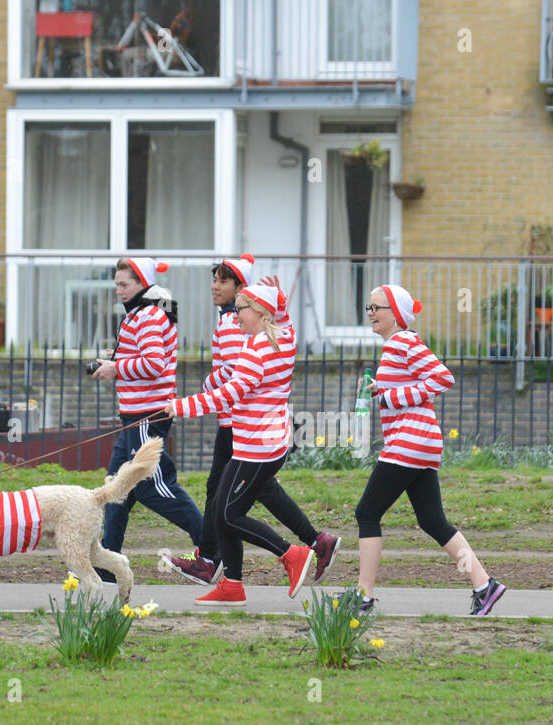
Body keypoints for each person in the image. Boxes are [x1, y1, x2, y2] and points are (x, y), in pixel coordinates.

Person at [167, 254, 340, 587]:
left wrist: (183, 405)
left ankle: (290, 554)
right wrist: (282, 305)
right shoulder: (280, 338)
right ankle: (239, 574)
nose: (235, 314)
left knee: (227, 510)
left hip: (250, 437)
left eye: (240, 306)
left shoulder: (252, 345)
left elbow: (231, 386)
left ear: (255, 308)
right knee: (232, 503)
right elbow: (284, 328)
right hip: (262, 438)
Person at [355, 284, 506, 616]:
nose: (370, 314)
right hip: (421, 444)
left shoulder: (404, 341)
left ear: (395, 314)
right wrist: (382, 388)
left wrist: (391, 397)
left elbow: (442, 378)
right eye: (368, 307)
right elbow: (413, 382)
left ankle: (362, 598)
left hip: (408, 443)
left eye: (376, 308)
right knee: (433, 521)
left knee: (367, 514)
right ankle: (485, 585)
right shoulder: (396, 346)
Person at [90, 257, 203, 579]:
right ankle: (108, 567)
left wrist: (117, 368)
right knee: (115, 491)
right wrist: (113, 364)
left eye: (124, 284)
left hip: (146, 416)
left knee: (154, 487)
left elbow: (153, 363)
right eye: (116, 284)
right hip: (136, 416)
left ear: (142, 282)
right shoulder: (142, 313)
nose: (118, 291)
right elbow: (142, 359)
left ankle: (211, 543)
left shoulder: (150, 315)